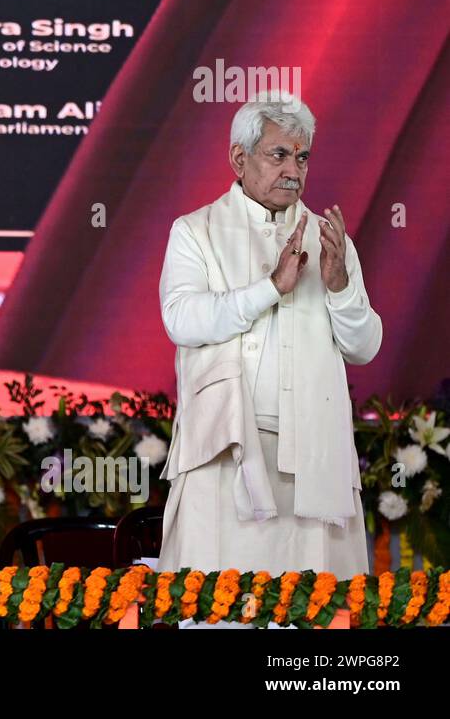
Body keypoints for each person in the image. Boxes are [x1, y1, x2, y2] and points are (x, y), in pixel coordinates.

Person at [157, 96, 381, 584]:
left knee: (317, 605)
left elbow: (364, 347)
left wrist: (340, 286)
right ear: (240, 159)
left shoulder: (329, 239)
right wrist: (270, 289)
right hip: (228, 452)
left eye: (302, 158)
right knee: (223, 603)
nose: (293, 170)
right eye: (278, 155)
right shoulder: (196, 231)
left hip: (314, 454)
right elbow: (183, 320)